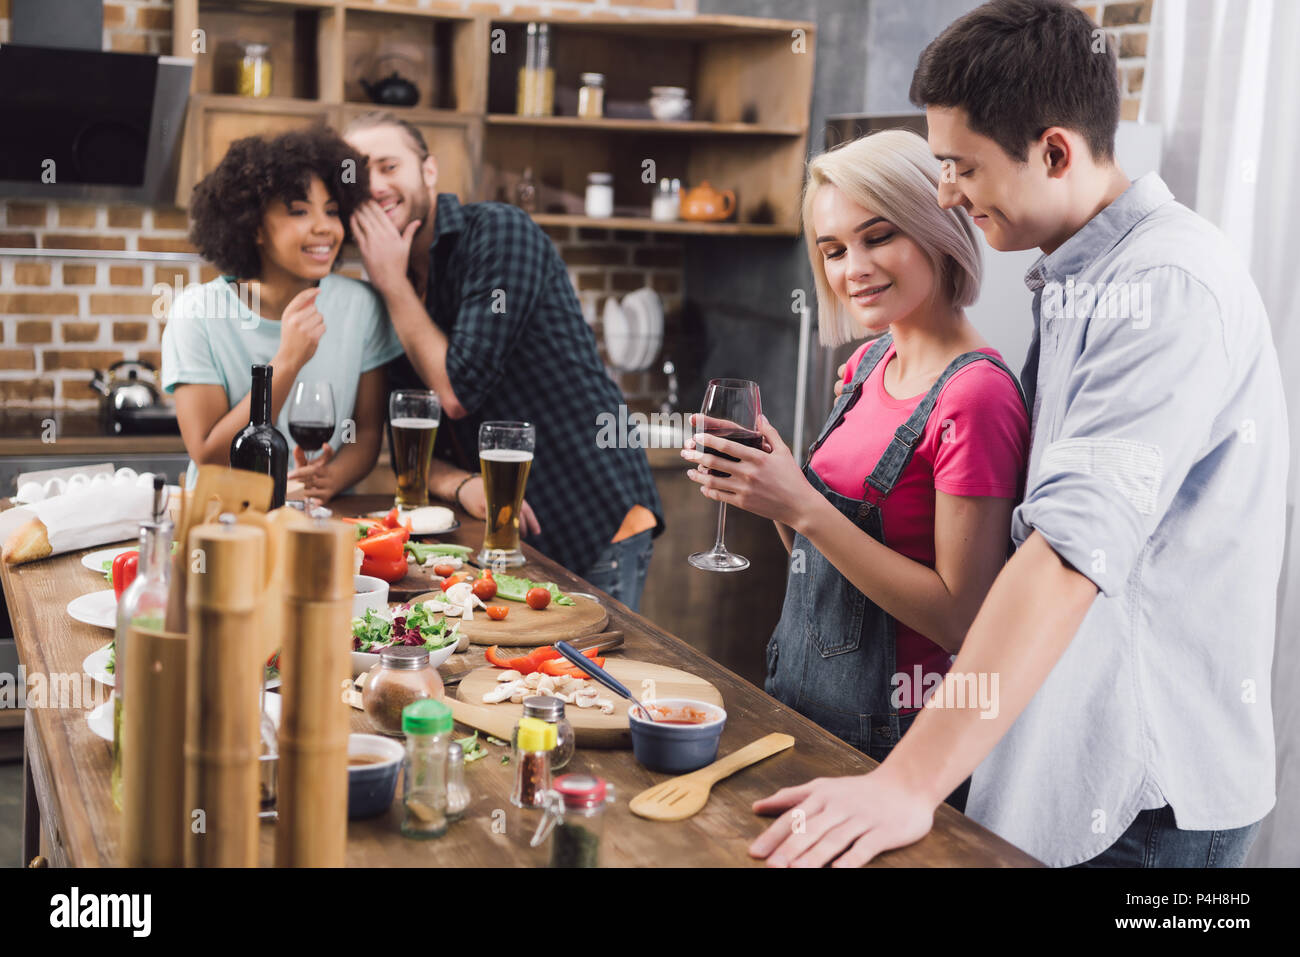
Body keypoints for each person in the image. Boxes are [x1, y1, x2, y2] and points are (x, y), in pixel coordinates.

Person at [748, 0, 1288, 869]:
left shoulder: (1165, 288)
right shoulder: (1077, 279)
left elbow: (1067, 550)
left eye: (960, 166)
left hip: (1144, 797)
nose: (948, 192)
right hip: (1069, 763)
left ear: (1055, 152)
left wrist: (908, 780)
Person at [683, 130, 1030, 815]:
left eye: (878, 236)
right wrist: (775, 491)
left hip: (896, 737)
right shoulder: (867, 365)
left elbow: (963, 617)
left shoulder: (976, 395)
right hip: (802, 698)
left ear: (936, 225)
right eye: (834, 249)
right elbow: (820, 559)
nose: (854, 268)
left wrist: (802, 504)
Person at [341, 111, 664, 611]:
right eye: (359, 177)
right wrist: (460, 482)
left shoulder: (497, 232)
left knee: (595, 681)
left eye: (388, 166)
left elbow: (455, 392)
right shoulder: (390, 292)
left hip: (592, 520)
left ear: (428, 172)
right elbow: (407, 440)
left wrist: (389, 282)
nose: (376, 185)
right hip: (502, 539)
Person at [162, 127, 404, 501]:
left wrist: (328, 480)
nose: (323, 227)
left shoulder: (360, 306)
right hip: (224, 520)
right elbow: (211, 455)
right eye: (299, 211)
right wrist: (288, 361)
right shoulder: (196, 313)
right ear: (255, 227)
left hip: (320, 520)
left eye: (332, 211)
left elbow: (368, 433)